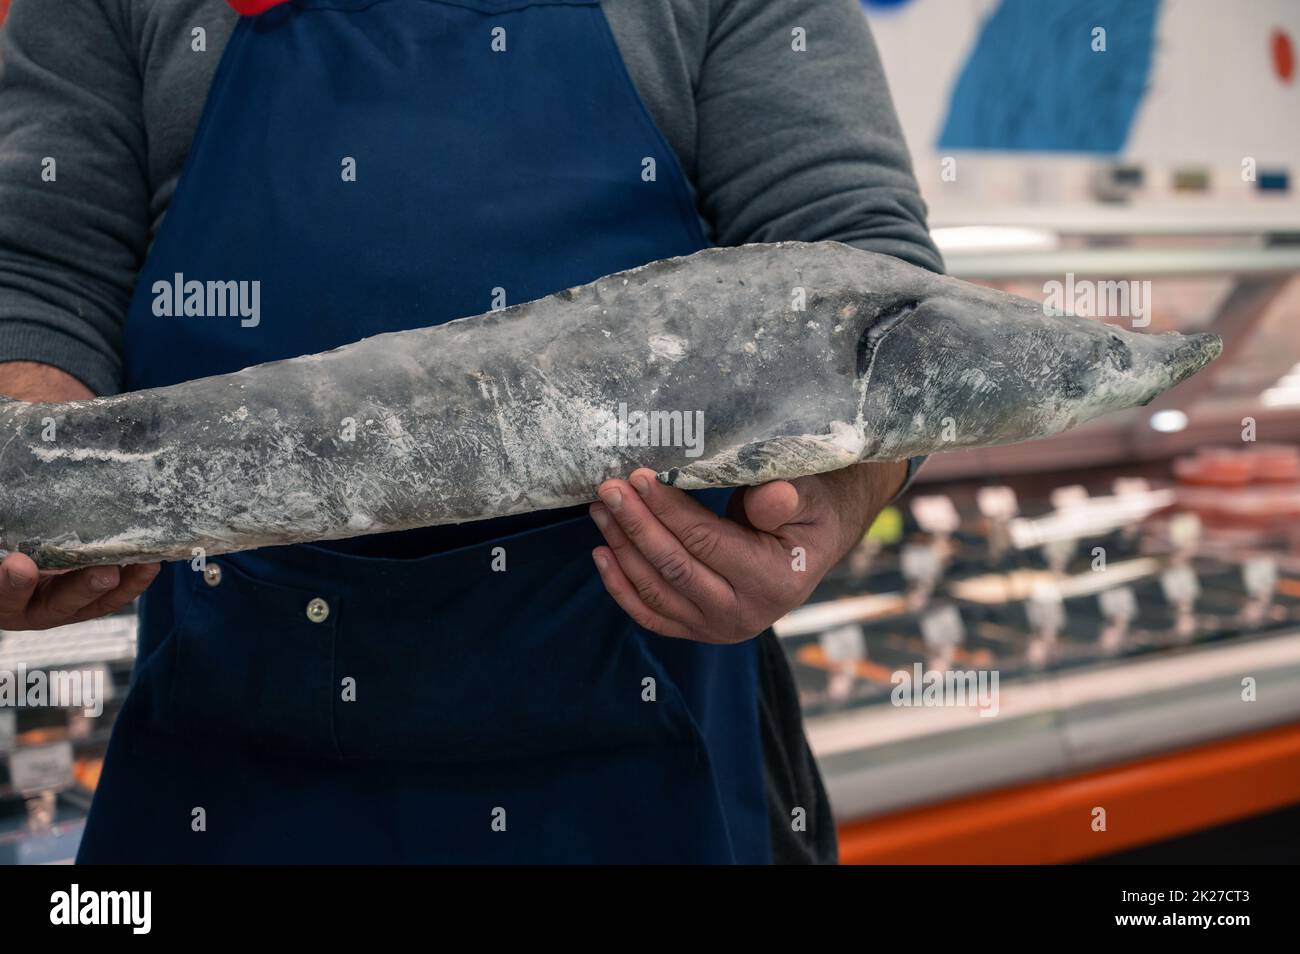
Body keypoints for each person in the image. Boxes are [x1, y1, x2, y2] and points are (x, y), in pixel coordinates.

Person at [0, 0, 941, 863]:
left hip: (645, 751)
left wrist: (831, 500)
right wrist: (30, 489)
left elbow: (866, 288)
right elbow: (40, 278)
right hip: (226, 761)